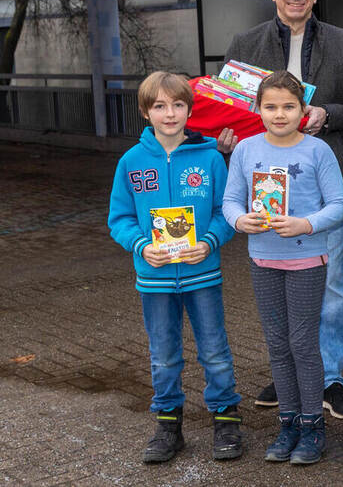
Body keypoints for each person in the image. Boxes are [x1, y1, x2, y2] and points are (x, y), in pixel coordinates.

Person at [224, 0, 343, 420]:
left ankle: (330, 377)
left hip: (320, 187)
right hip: (267, 191)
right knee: (277, 285)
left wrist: (327, 114)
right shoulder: (245, 43)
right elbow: (229, 107)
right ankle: (288, 371)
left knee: (330, 286)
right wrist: (225, 138)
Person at [108, 72, 242, 464]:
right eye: (160, 106)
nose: (170, 113)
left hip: (203, 274)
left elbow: (224, 211)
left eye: (178, 105)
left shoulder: (211, 157)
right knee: (163, 354)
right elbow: (119, 218)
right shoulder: (131, 162)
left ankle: (226, 419)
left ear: (190, 109)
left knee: (215, 350)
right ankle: (168, 424)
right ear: (145, 112)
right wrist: (142, 245)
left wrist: (210, 241)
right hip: (155, 279)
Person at [223, 71, 343, 465]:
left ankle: (313, 426)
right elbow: (230, 200)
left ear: (303, 110)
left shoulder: (317, 151)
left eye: (288, 106)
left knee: (302, 343)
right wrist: (239, 221)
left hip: (306, 259)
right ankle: (288, 422)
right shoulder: (245, 150)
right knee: (277, 344)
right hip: (263, 259)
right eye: (271, 106)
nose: (279, 114)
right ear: (257, 108)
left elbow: (339, 206)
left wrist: (305, 224)